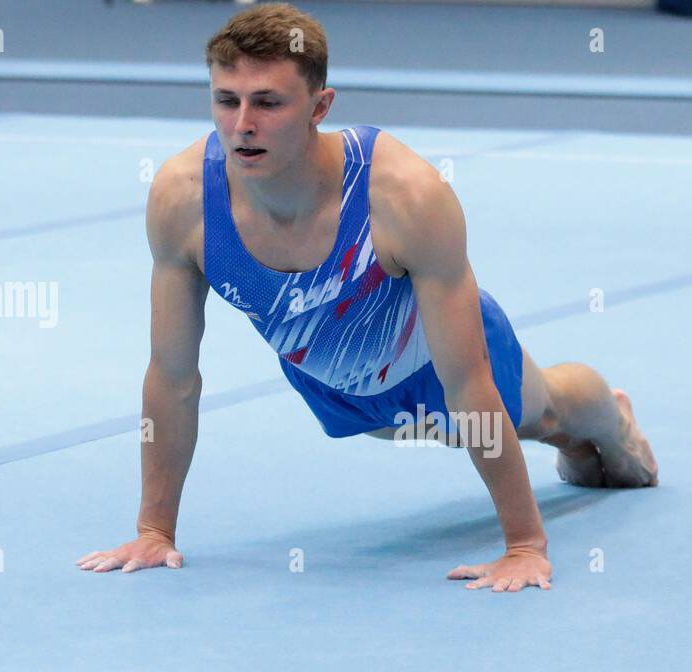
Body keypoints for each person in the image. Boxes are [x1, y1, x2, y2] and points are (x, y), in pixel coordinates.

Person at [77, 3, 657, 593]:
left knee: (546, 411)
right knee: (440, 430)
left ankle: (609, 422)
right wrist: (155, 530)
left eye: (268, 103)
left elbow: (467, 384)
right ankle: (568, 445)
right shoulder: (184, 199)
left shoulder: (403, 194)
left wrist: (523, 545)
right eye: (227, 100)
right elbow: (173, 376)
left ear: (320, 108)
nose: (242, 124)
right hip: (336, 384)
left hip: (445, 357)